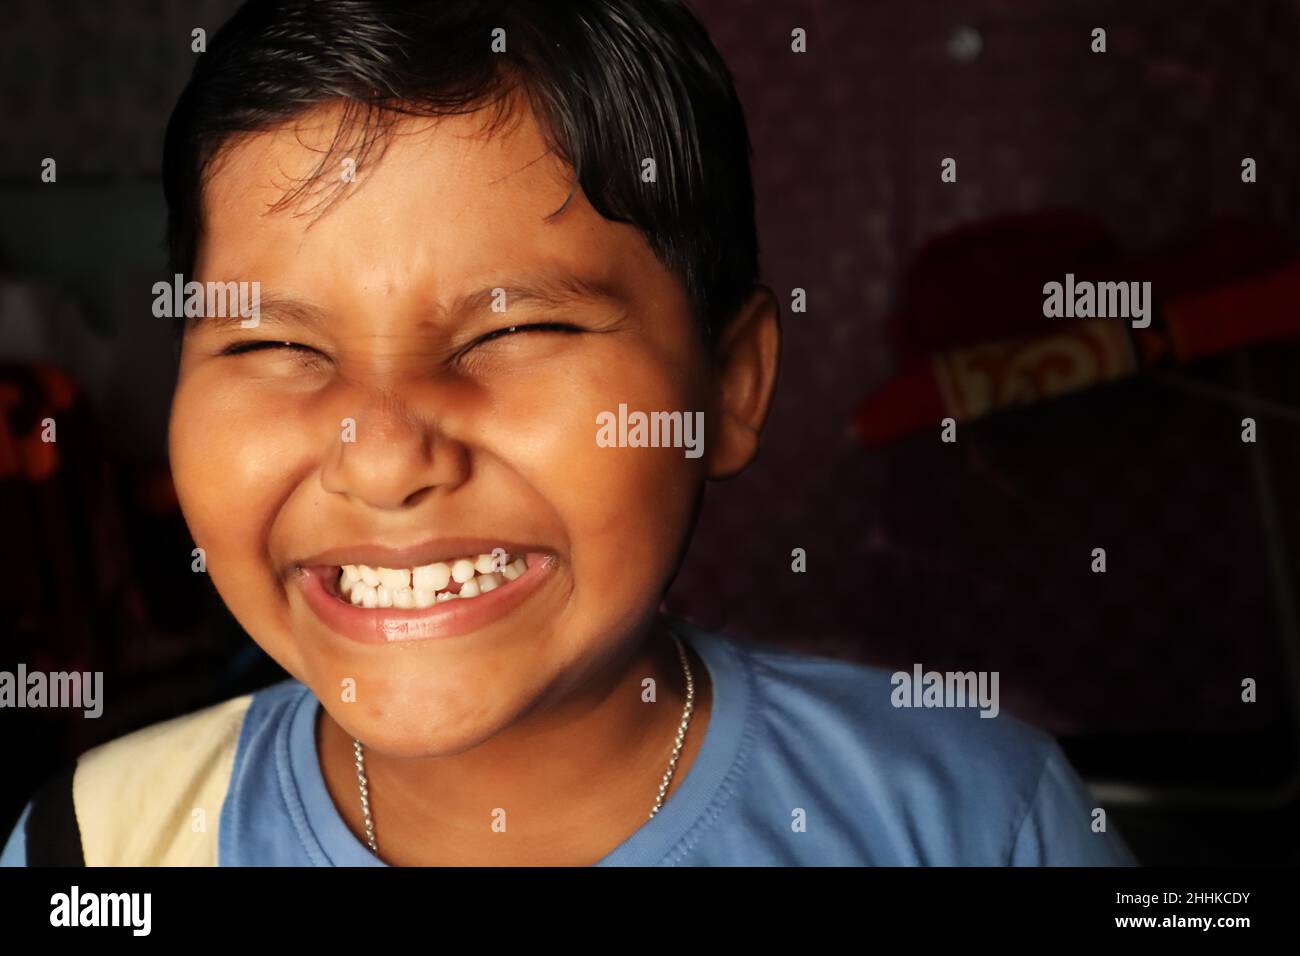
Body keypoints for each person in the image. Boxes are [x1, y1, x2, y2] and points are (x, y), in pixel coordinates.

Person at [1, 0, 1135, 866]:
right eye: (274, 344)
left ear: (729, 386)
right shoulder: (97, 844)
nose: (384, 457)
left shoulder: (971, 822)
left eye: (518, 328)